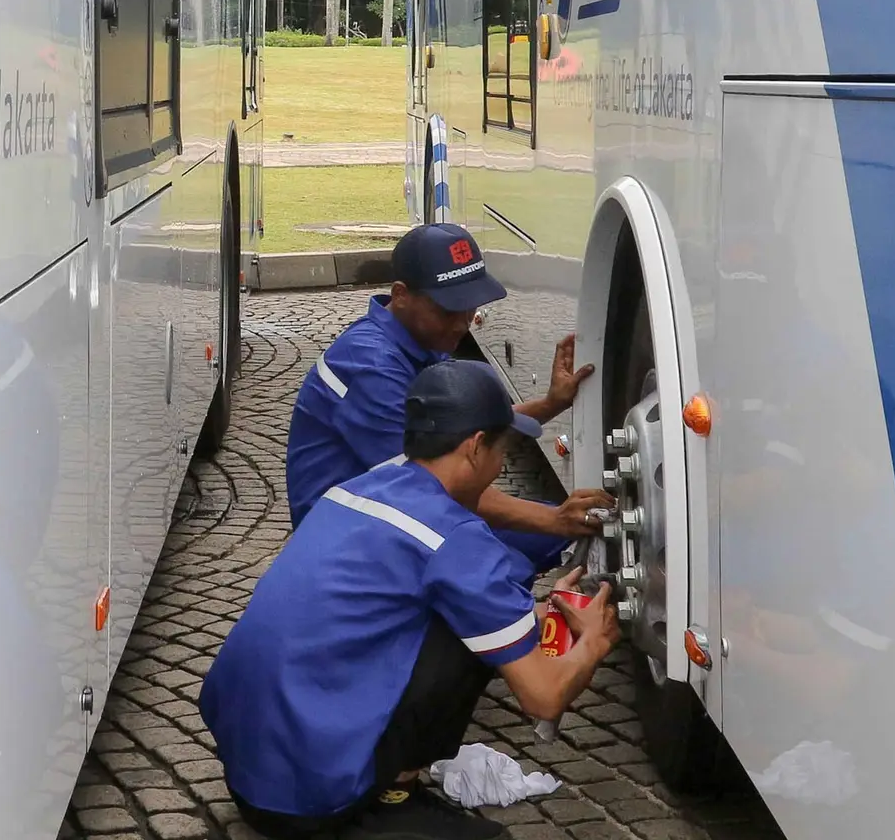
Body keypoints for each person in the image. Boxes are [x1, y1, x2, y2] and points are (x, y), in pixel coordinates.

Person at [203, 359, 621, 839]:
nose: (501, 465)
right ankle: (381, 805)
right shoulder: (457, 538)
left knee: (475, 622)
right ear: (475, 447)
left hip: (245, 770)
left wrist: (541, 614)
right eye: (501, 449)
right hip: (305, 800)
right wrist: (593, 642)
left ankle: (390, 789)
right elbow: (544, 697)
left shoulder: (359, 488)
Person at [290, 223, 611, 572]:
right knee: (505, 567)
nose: (463, 323)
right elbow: (437, 484)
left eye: (469, 307)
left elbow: (473, 431)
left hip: (387, 511)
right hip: (347, 543)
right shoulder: (370, 366)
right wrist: (556, 519)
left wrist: (552, 403)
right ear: (400, 295)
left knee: (540, 538)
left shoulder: (417, 341)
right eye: (448, 310)